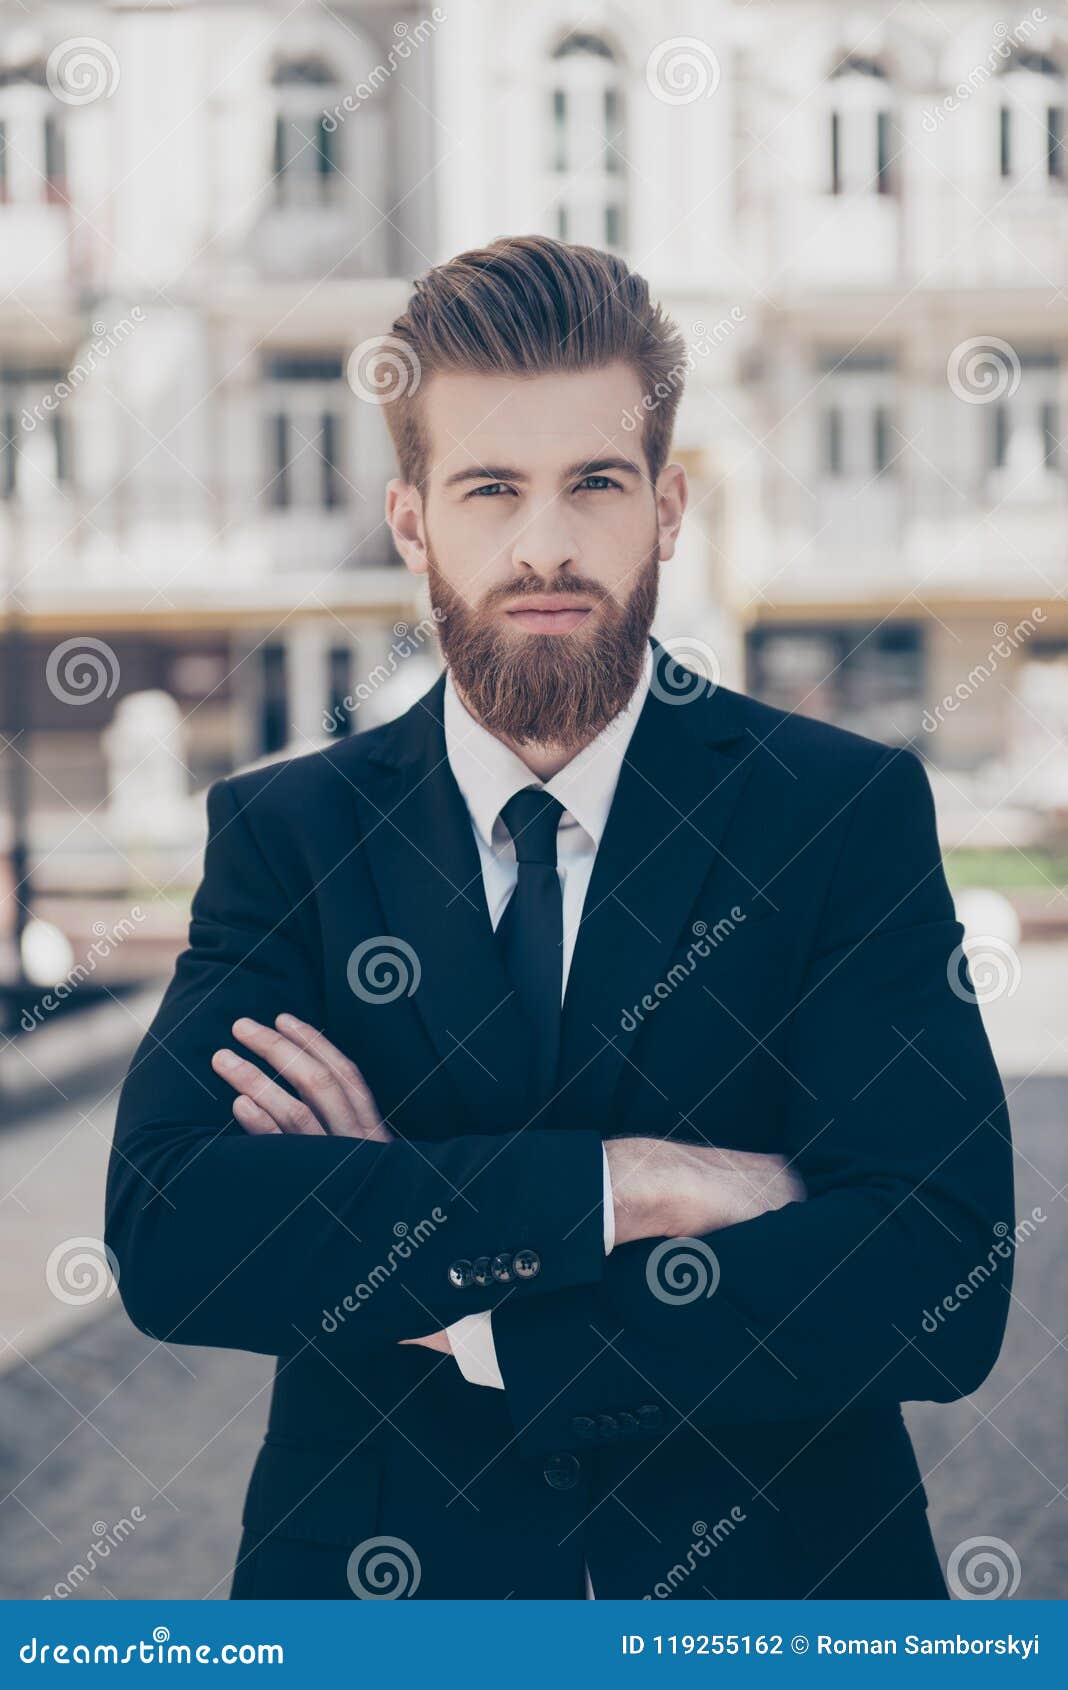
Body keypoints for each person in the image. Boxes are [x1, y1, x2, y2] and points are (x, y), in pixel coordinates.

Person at [105, 235, 1014, 1601]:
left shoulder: (838, 812)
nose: (545, 546)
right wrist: (629, 1187)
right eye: (491, 489)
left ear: (668, 507)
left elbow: (940, 1274)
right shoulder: (289, 836)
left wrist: (457, 1294)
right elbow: (175, 1230)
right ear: (413, 521)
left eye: (595, 482)